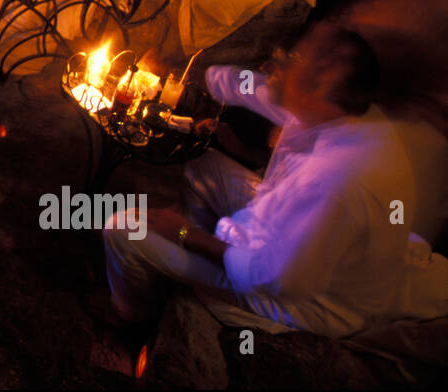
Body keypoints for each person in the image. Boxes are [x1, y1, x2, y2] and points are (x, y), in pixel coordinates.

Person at [102, 22, 448, 338]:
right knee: (203, 164)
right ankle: (184, 264)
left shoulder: (336, 181)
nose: (275, 63)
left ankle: (134, 318)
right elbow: (250, 87)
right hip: (279, 228)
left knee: (122, 229)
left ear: (321, 87)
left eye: (293, 59)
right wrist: (179, 77)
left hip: (289, 295)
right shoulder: (340, 112)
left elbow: (266, 275)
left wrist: (183, 233)